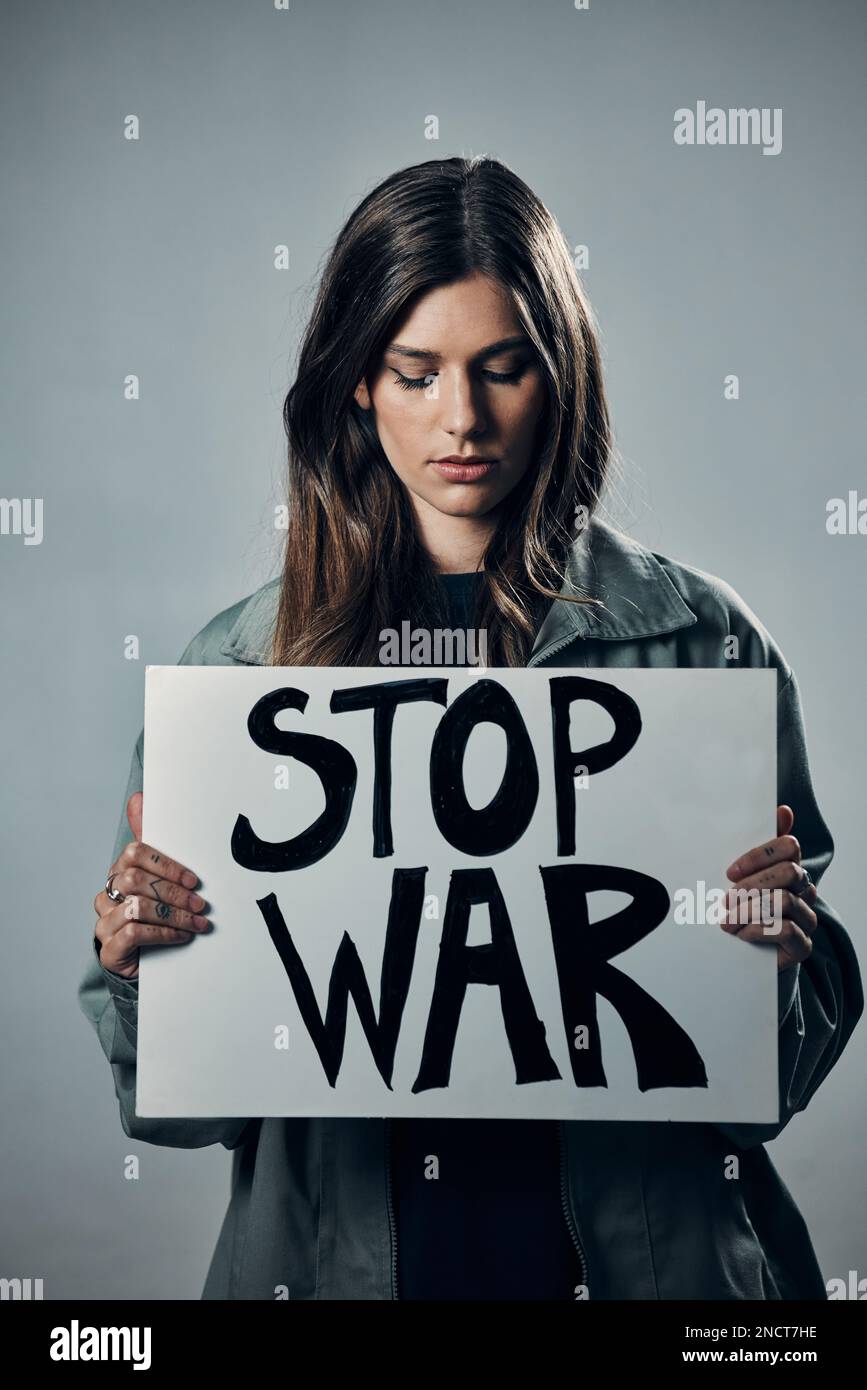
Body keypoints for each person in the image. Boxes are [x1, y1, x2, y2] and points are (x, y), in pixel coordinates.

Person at [79, 155, 862, 1301]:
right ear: (356, 382)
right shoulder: (241, 674)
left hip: (652, 1272)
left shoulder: (702, 640)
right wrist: (147, 968)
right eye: (415, 371)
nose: (464, 419)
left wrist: (779, 956)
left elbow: (774, 1085)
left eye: (504, 369)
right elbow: (187, 1114)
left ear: (560, 377)